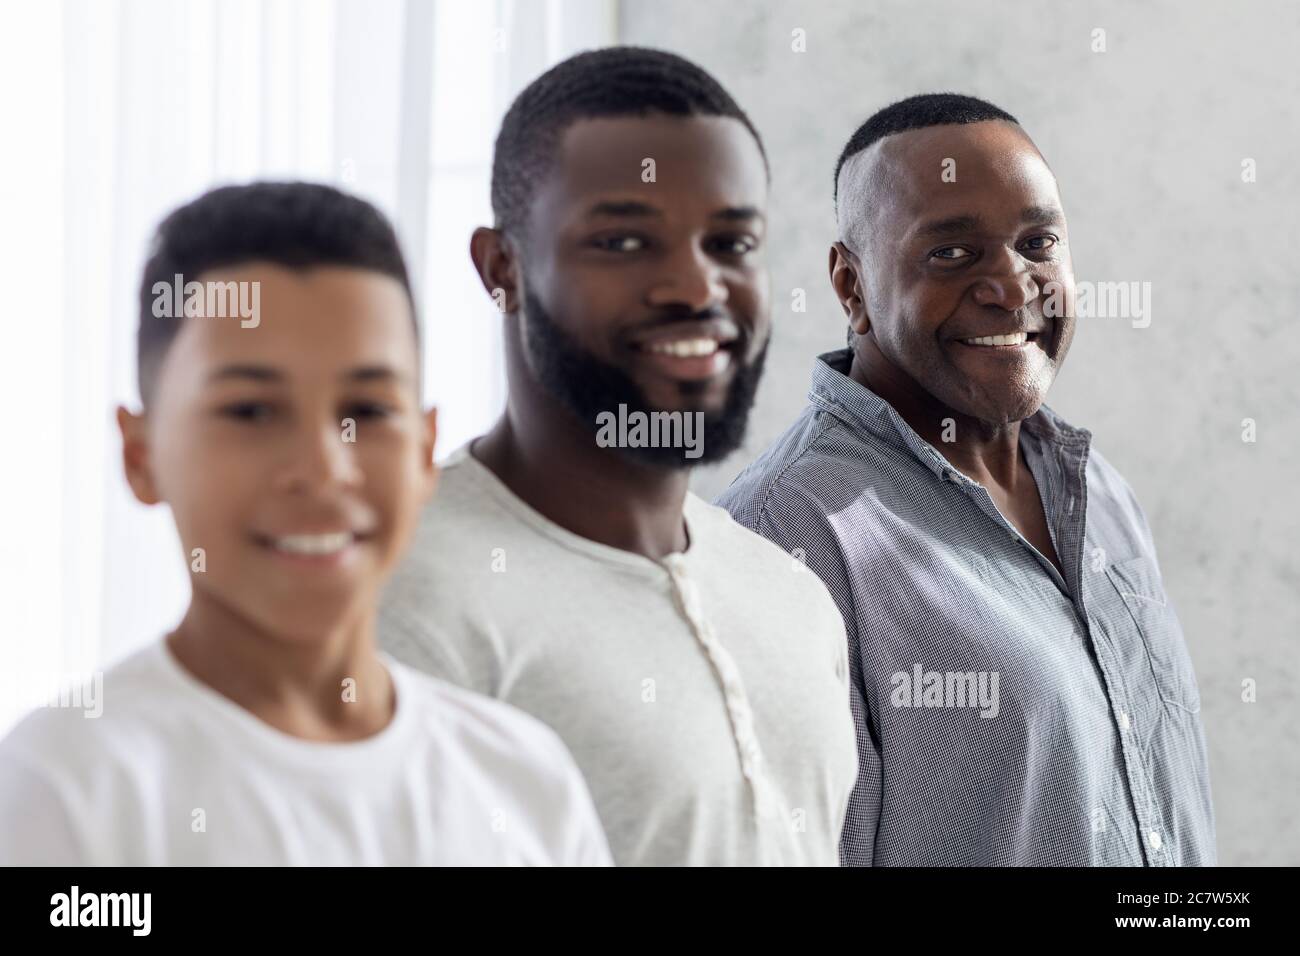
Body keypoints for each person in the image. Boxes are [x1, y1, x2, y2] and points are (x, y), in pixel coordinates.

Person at [0, 182, 611, 866]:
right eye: (252, 413)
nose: (323, 469)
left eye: (368, 410)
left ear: (421, 449)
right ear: (143, 456)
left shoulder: (524, 784)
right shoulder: (63, 792)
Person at [379, 47, 858, 866]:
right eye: (625, 240)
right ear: (504, 269)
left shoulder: (793, 596)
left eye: (731, 242)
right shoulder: (399, 597)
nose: (693, 286)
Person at [716, 94, 1216, 866]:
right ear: (851, 287)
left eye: (1037, 242)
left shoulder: (1100, 494)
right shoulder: (785, 536)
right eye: (953, 253)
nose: (1014, 288)